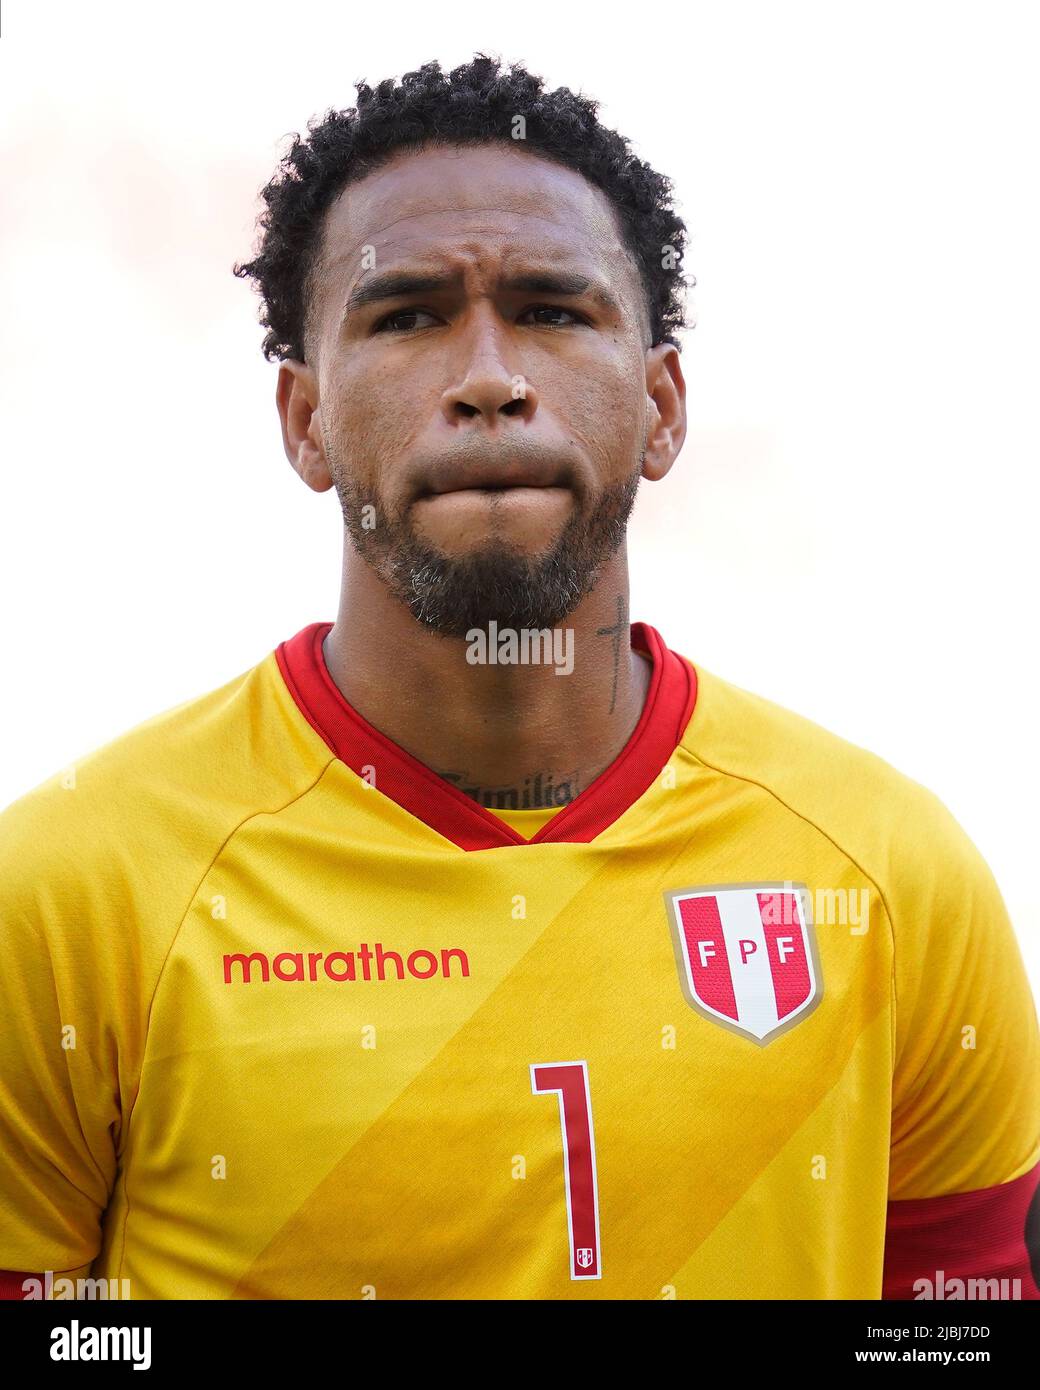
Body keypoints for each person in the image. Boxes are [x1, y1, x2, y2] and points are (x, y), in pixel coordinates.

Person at [1, 54, 1037, 1301]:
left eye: (552, 308)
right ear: (305, 419)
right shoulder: (72, 890)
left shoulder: (883, 870)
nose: (488, 376)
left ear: (659, 409)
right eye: (405, 315)